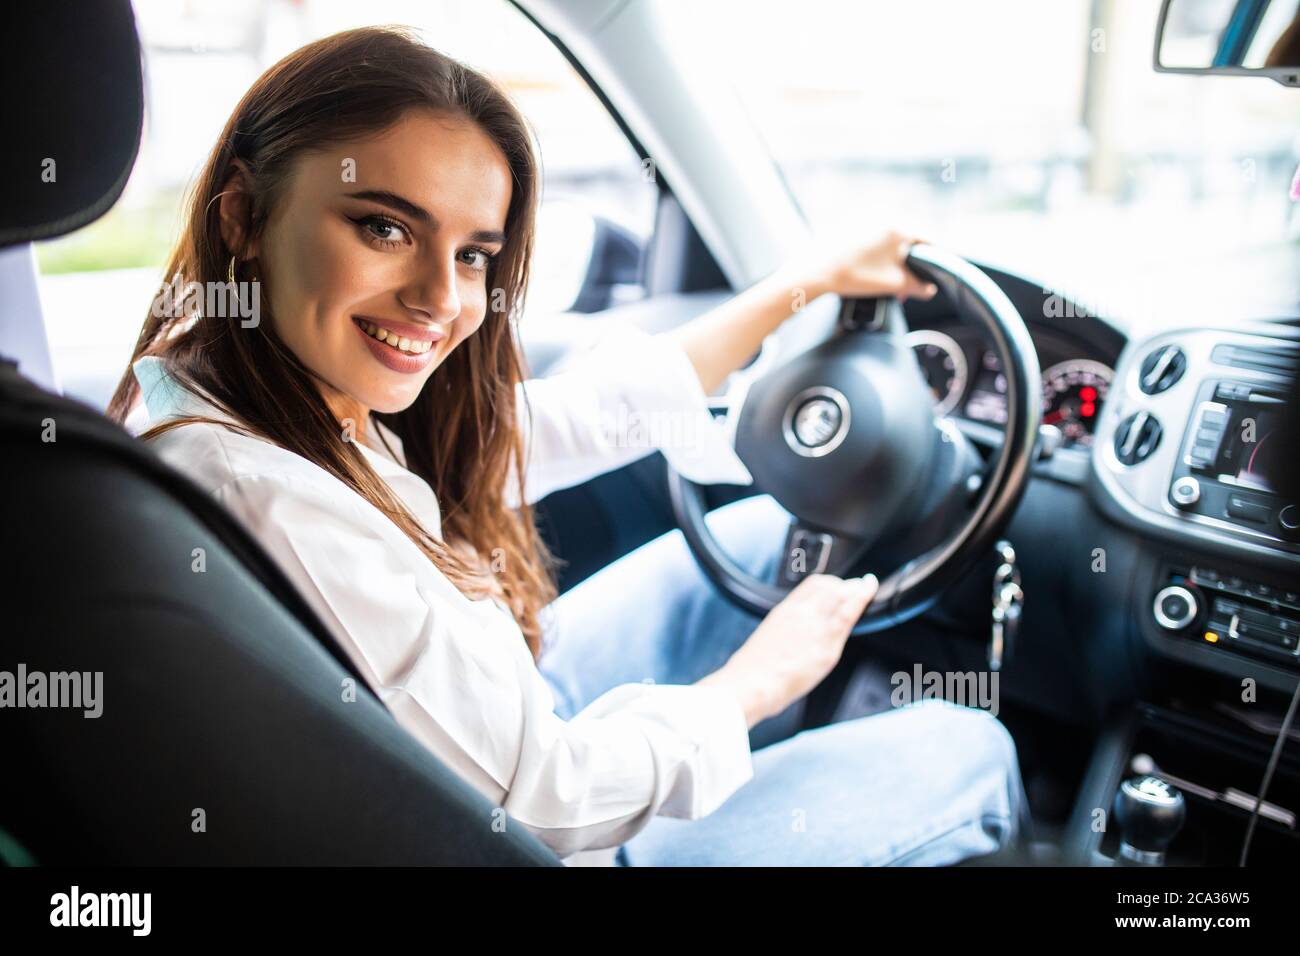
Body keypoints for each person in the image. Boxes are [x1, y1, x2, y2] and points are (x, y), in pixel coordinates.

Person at [109, 25, 1027, 865]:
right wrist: (752, 689)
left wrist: (807, 281)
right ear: (241, 213)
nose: (440, 301)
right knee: (967, 746)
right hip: (530, 833)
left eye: (473, 255)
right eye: (384, 228)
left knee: (759, 538)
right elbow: (541, 805)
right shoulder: (260, 494)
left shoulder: (250, 378)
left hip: (480, 736)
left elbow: (591, 414)